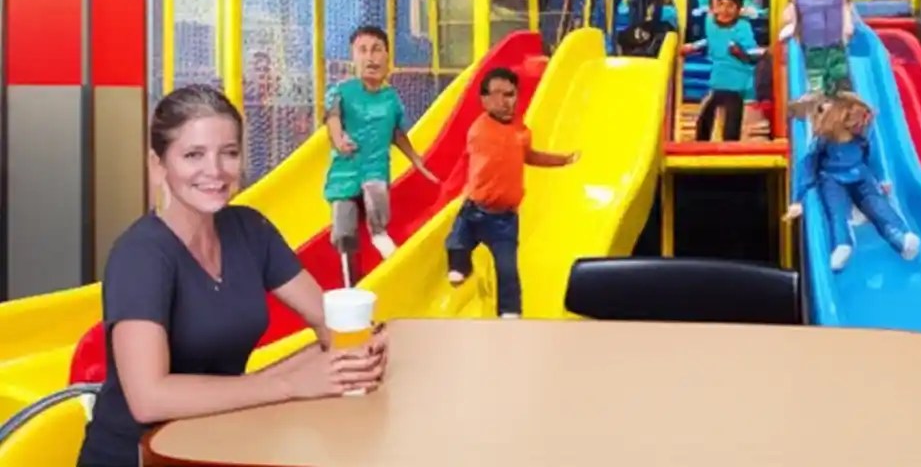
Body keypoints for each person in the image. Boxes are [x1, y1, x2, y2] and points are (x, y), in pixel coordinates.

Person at [77, 85, 389, 467]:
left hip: (217, 442)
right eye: (194, 155)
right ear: (158, 166)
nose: (215, 171)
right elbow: (149, 399)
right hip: (139, 456)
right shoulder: (141, 255)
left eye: (229, 153)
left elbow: (329, 324)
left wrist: (354, 354)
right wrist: (290, 384)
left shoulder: (249, 229)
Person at [445, 67, 579, 318]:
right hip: (475, 209)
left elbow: (530, 156)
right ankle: (460, 267)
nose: (504, 101)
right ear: (484, 101)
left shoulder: (521, 131)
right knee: (456, 241)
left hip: (504, 219)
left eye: (510, 94)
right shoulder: (479, 129)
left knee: (507, 269)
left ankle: (510, 314)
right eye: (496, 95)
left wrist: (562, 160)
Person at [325, 26, 439, 287]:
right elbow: (332, 118)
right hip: (345, 173)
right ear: (353, 57)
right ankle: (350, 281)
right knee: (344, 230)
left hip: (375, 170)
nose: (370, 57)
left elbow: (397, 133)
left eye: (377, 50)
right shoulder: (342, 91)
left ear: (388, 56)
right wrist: (339, 138)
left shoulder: (391, 99)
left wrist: (417, 160)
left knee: (376, 196)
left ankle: (381, 237)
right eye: (362, 50)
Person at [786, 93, 921, 272]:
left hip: (860, 175)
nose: (863, 128)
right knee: (836, 211)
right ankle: (842, 245)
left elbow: (874, 155)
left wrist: (881, 178)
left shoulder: (865, 131)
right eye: (858, 126)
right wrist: (798, 198)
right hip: (831, 178)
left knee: (877, 205)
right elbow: (808, 164)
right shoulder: (827, 135)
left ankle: (901, 239)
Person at [680, 0, 766, 141]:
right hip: (719, 81)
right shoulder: (710, 23)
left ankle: (730, 143)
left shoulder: (742, 27)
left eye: (730, 6)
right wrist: (694, 46)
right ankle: (701, 143)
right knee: (707, 111)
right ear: (712, 7)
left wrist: (741, 53)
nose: (724, 11)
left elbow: (754, 54)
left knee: (732, 109)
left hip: (739, 84)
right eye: (720, 5)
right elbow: (711, 41)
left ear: (739, 9)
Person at [779, 0, 857, 100]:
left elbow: (846, 6)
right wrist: (790, 27)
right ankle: (818, 106)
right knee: (816, 82)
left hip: (836, 47)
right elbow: (790, 14)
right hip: (812, 48)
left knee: (840, 79)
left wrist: (848, 25)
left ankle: (841, 109)